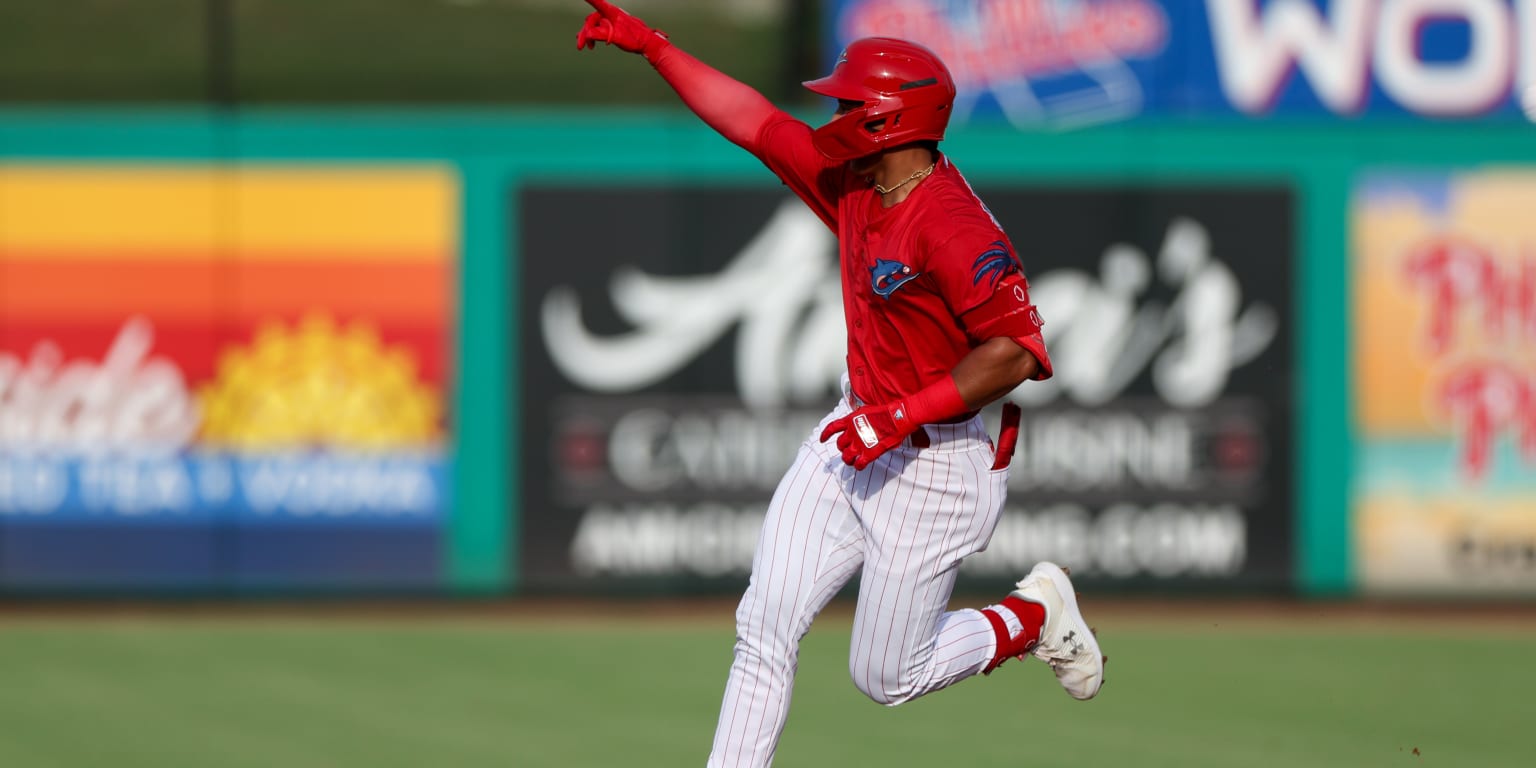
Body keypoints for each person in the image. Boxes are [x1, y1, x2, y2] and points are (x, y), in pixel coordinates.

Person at [575, 2, 1106, 765]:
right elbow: (753, 121)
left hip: (939, 463)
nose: (835, 112)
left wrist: (898, 419)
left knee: (887, 677)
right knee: (764, 623)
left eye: (851, 103)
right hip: (854, 432)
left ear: (890, 120)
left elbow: (1015, 352)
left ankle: (1031, 615)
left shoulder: (954, 228)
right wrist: (655, 47)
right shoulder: (856, 182)